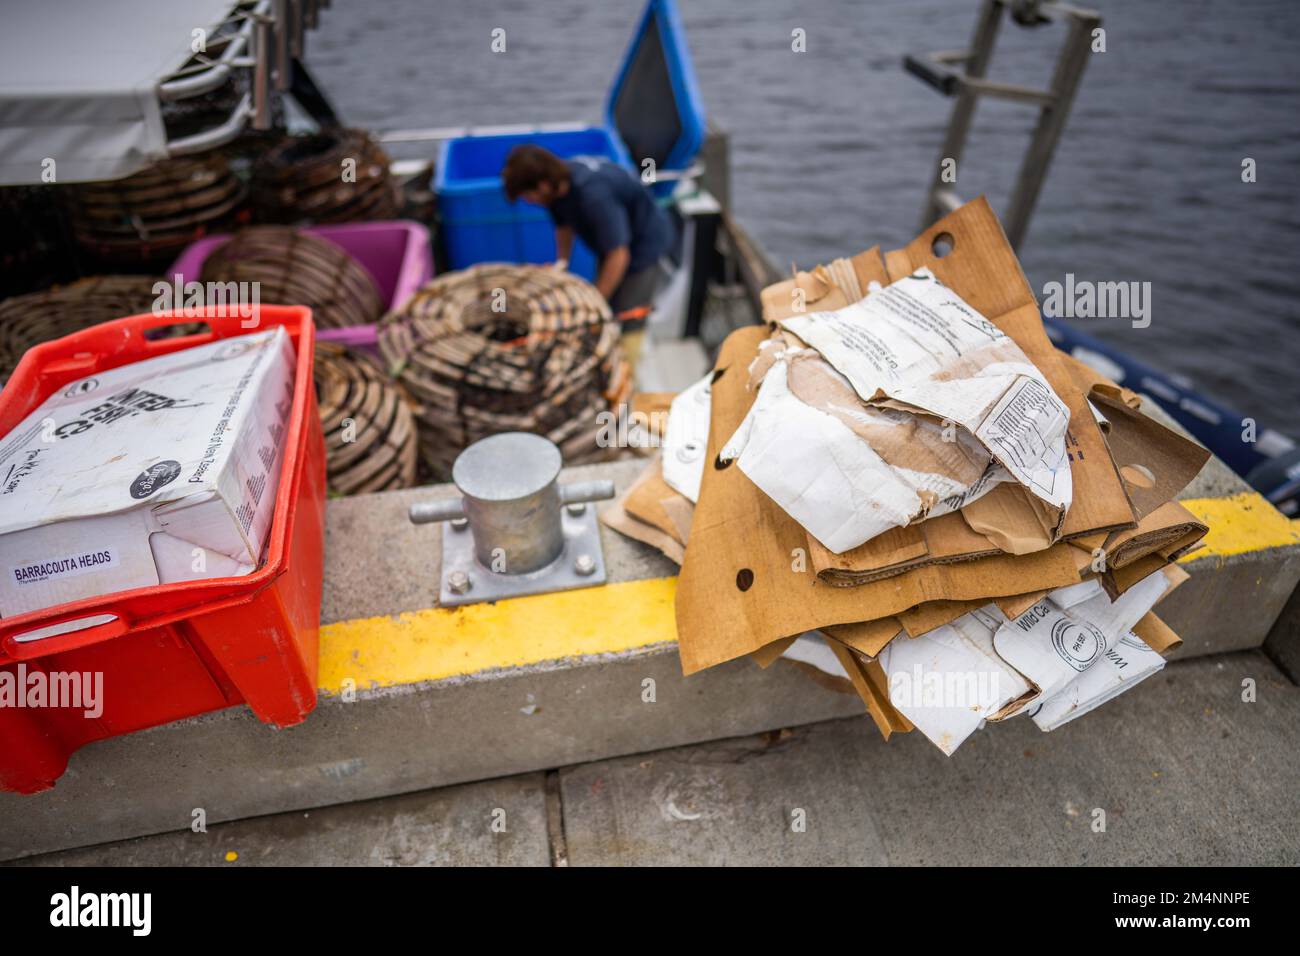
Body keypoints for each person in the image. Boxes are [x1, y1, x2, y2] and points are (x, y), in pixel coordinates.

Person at [502, 144, 674, 363]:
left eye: (527, 195)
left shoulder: (594, 197)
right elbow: (563, 225)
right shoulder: (559, 187)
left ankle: (628, 375)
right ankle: (605, 342)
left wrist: (595, 301)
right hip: (612, 245)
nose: (528, 201)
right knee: (605, 302)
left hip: (642, 246)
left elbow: (619, 255)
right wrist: (562, 263)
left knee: (627, 315)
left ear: (542, 185)